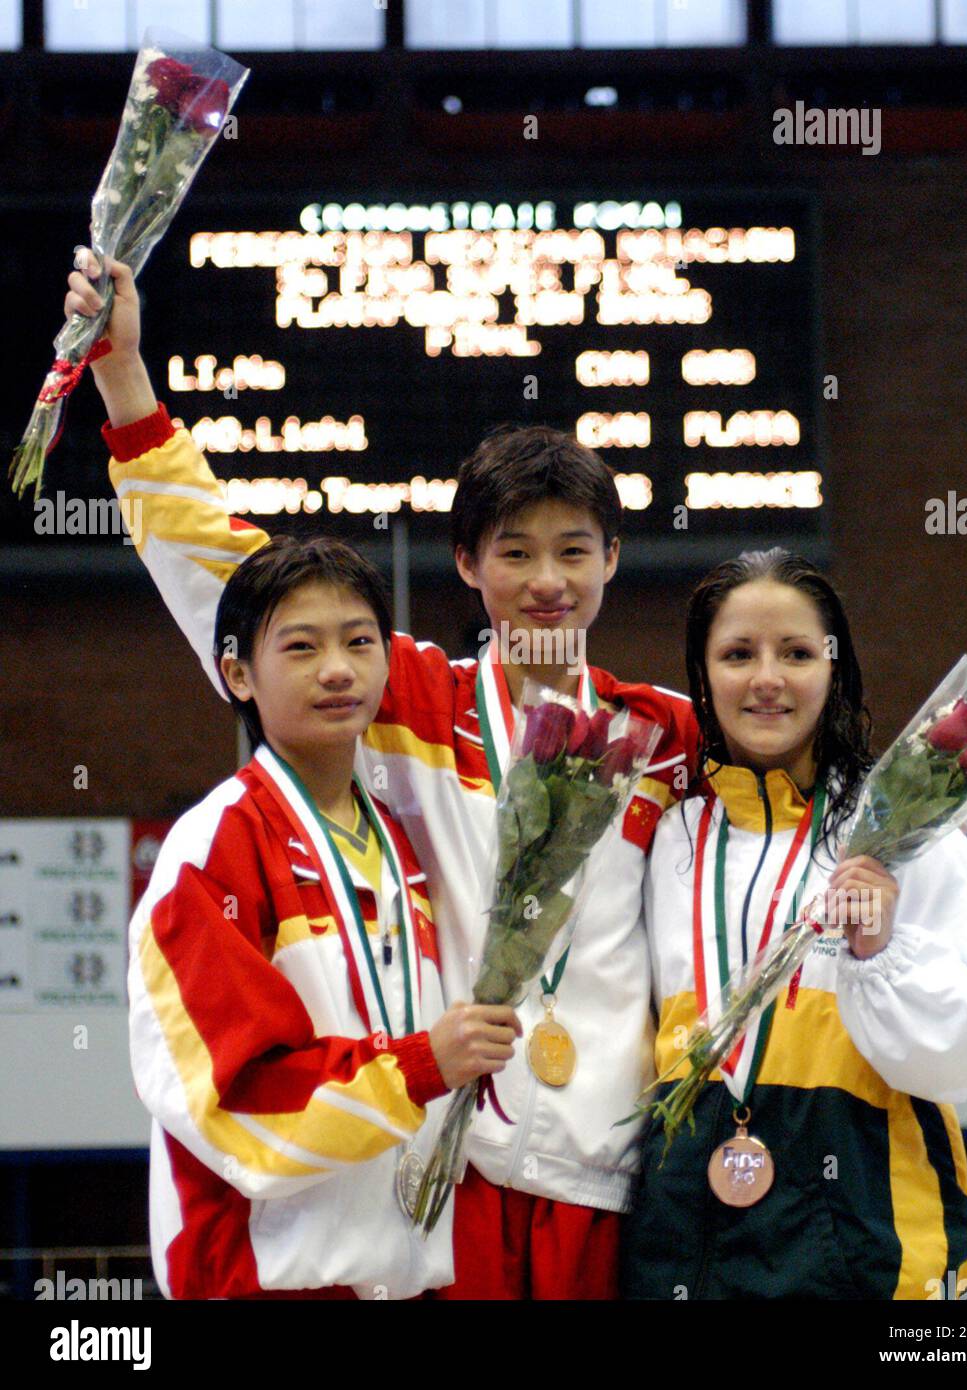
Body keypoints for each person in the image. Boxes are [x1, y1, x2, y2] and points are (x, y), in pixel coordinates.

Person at [66, 248, 700, 1299]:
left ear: (613, 560)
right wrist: (125, 381)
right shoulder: (410, 698)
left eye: (573, 552)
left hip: (605, 1172)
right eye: (513, 552)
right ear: (465, 564)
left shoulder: (666, 740)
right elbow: (235, 580)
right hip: (452, 1171)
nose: (545, 583)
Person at [621, 548, 967, 1299]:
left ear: (835, 669)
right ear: (702, 674)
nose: (767, 679)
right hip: (688, 1241)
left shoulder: (909, 835)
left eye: (796, 653)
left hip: (868, 1239)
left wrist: (884, 952)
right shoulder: (670, 839)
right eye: (738, 654)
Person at [127, 530, 521, 1298]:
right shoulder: (215, 851)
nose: (338, 669)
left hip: (406, 1281)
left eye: (360, 642)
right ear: (237, 673)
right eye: (301, 647)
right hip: (260, 1284)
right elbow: (235, 1107)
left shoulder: (401, 845)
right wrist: (417, 1068)